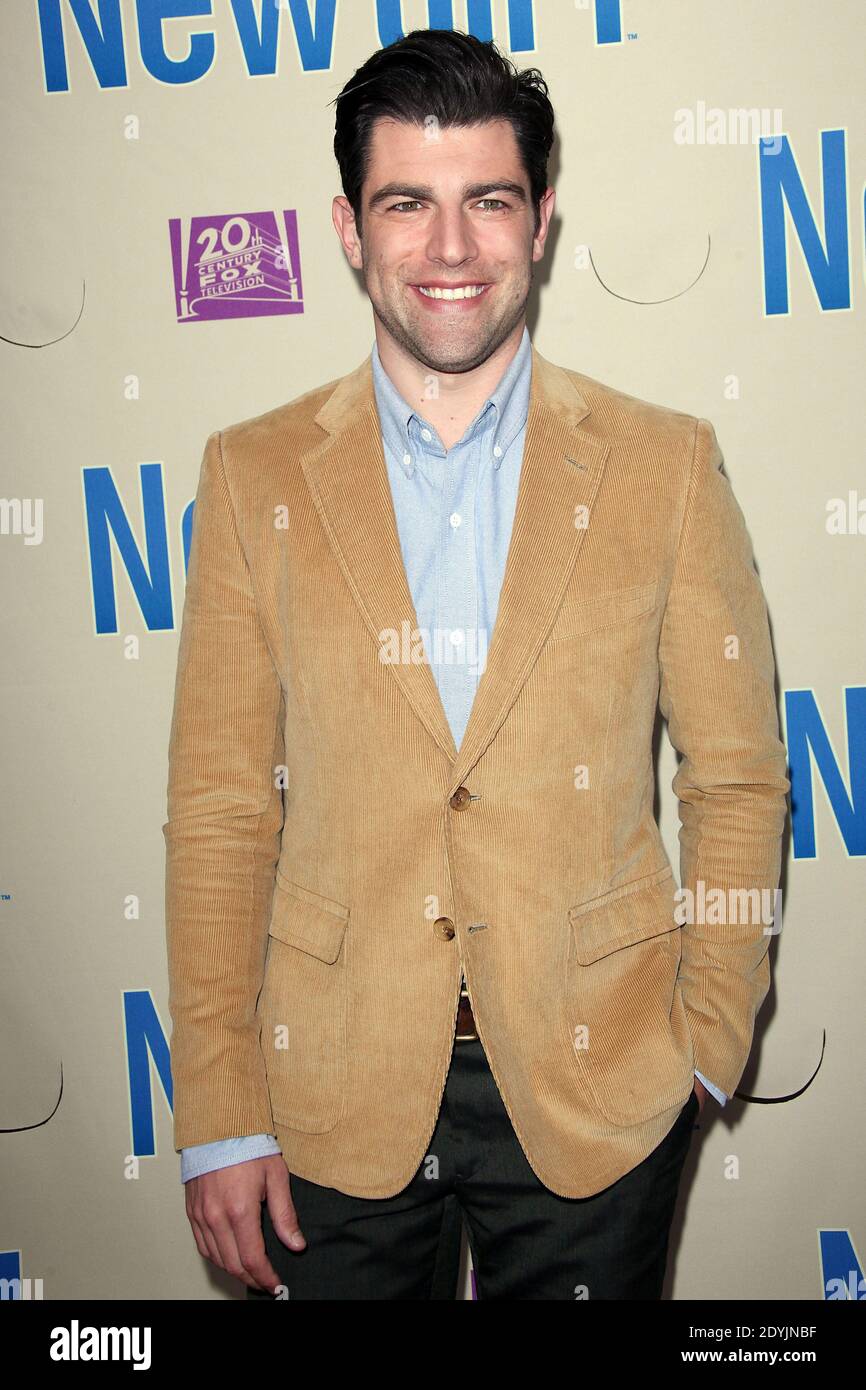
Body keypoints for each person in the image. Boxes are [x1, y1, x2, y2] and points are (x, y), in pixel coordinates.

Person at [162, 28, 790, 1300]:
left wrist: (706, 1038)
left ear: (540, 219)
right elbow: (224, 814)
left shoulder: (662, 465)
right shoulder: (252, 475)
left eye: (486, 202)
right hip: (326, 1088)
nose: (449, 251)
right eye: (407, 204)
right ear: (348, 227)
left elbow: (737, 779)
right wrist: (222, 1106)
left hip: (599, 1086)